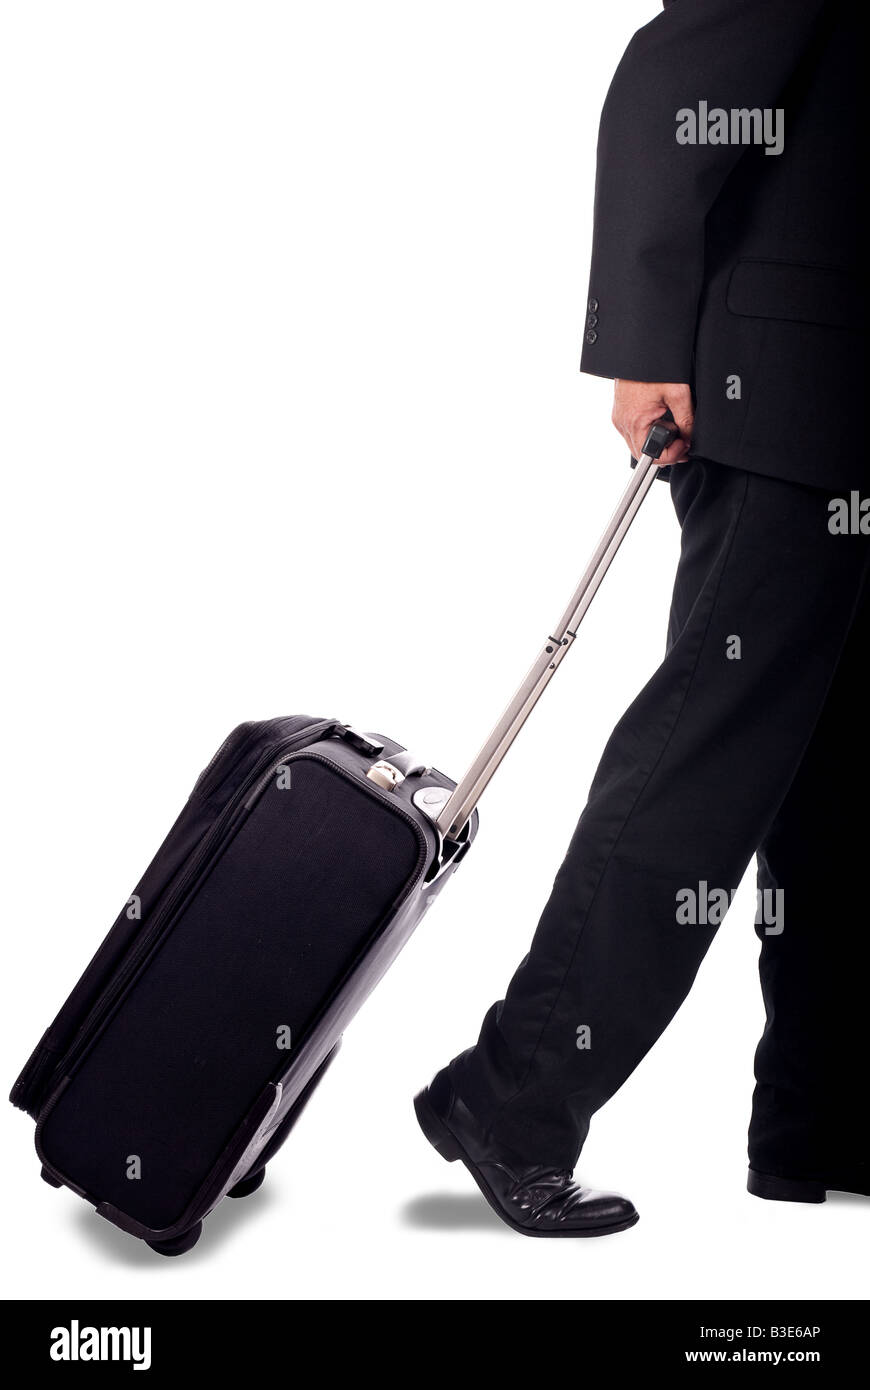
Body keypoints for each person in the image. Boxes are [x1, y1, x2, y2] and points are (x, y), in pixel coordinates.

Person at [414, 0, 867, 1237]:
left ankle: (822, 1126)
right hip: (779, 398)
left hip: (855, 399)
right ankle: (510, 1099)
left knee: (839, 785)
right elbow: (674, 74)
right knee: (697, 772)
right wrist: (648, 340)